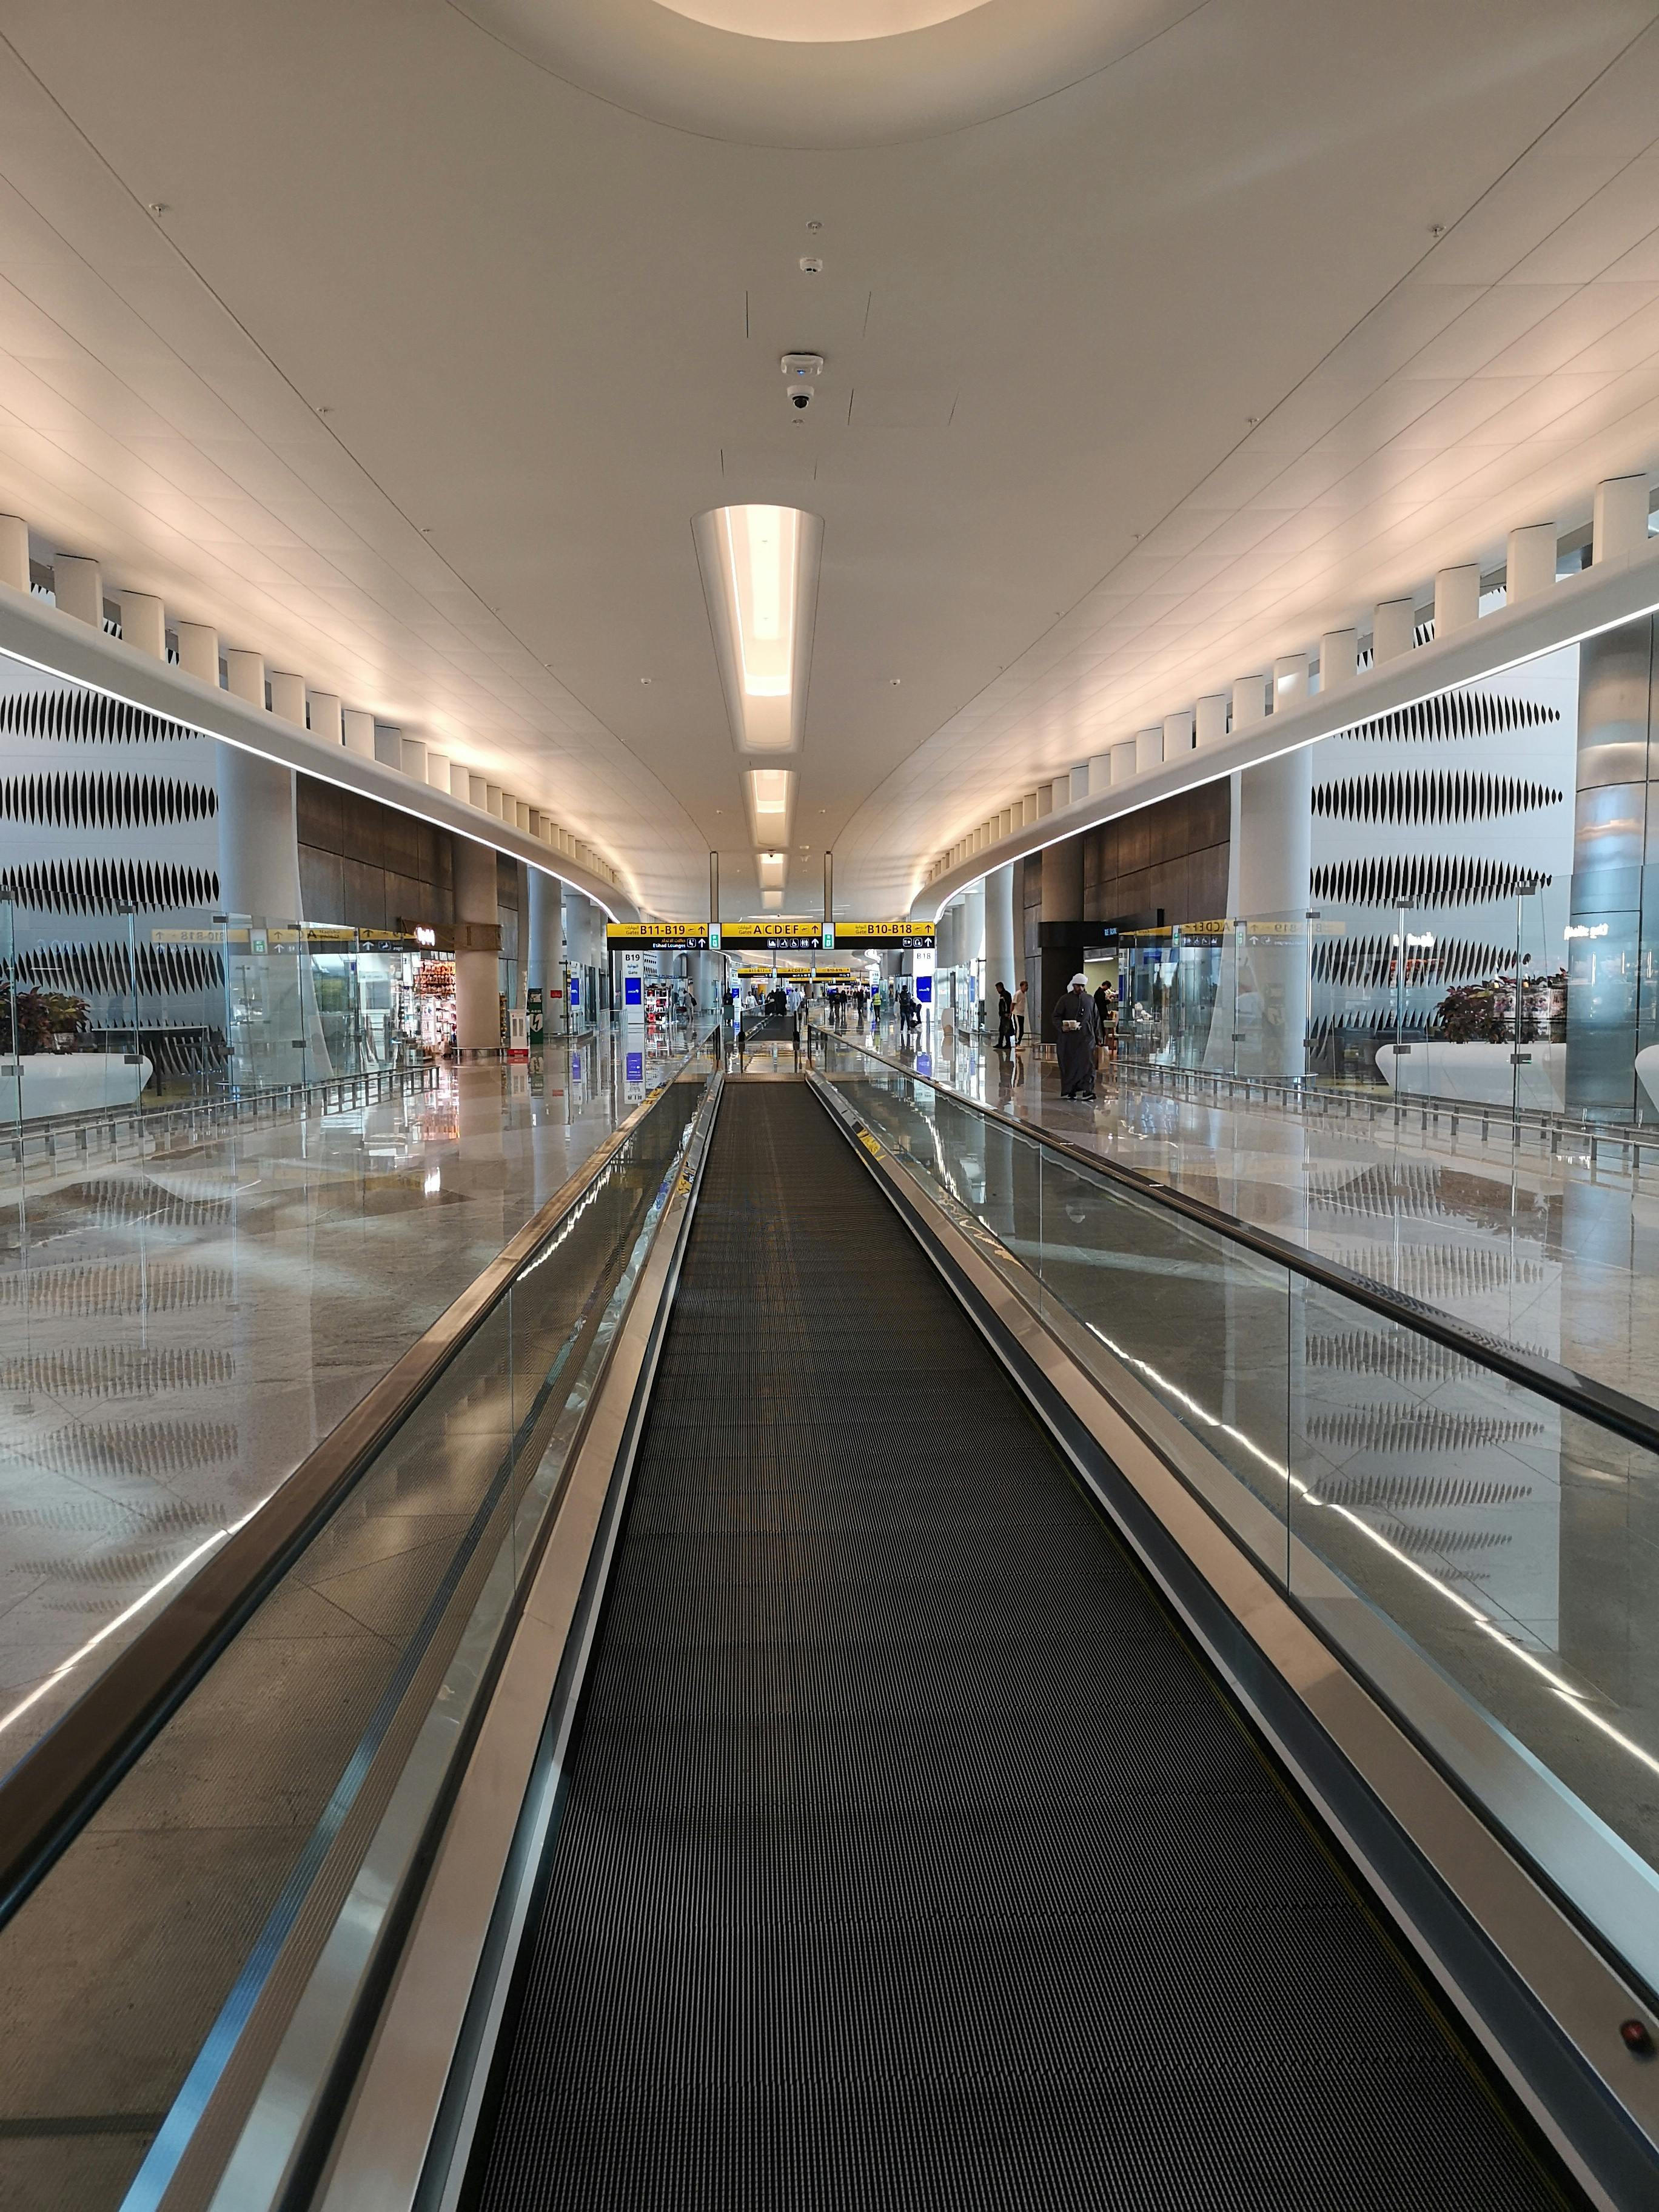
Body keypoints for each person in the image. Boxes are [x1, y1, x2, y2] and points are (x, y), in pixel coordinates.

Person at [1054, 972, 1101, 1101]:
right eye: (1077, 986)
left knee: (1088, 1064)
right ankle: (1071, 1089)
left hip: (1087, 1037)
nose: (1079, 988)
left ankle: (1088, 1090)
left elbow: (1096, 1019)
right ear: (1073, 985)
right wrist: (1063, 1027)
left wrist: (1099, 1038)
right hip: (1069, 1039)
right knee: (1071, 1064)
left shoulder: (1090, 999)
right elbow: (1056, 1017)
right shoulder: (1064, 1000)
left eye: (1082, 986)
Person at [995, 981, 1014, 1049]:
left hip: (1005, 1015)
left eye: (997, 988)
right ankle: (1000, 1044)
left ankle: (1008, 1044)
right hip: (1003, 1015)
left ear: (1000, 988)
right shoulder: (1003, 995)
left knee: (1006, 1030)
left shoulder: (1005, 995)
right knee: (1002, 1030)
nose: (997, 990)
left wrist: (1007, 1012)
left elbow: (1007, 1004)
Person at [1011, 977, 1028, 1044]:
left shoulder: (1024, 994)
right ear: (1021, 986)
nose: (1027, 987)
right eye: (1025, 986)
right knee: (1018, 1029)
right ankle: (1017, 1042)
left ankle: (1019, 1042)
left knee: (1022, 1030)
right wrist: (1011, 1012)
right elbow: (1013, 1003)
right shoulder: (1018, 994)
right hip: (1017, 1013)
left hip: (1022, 1014)